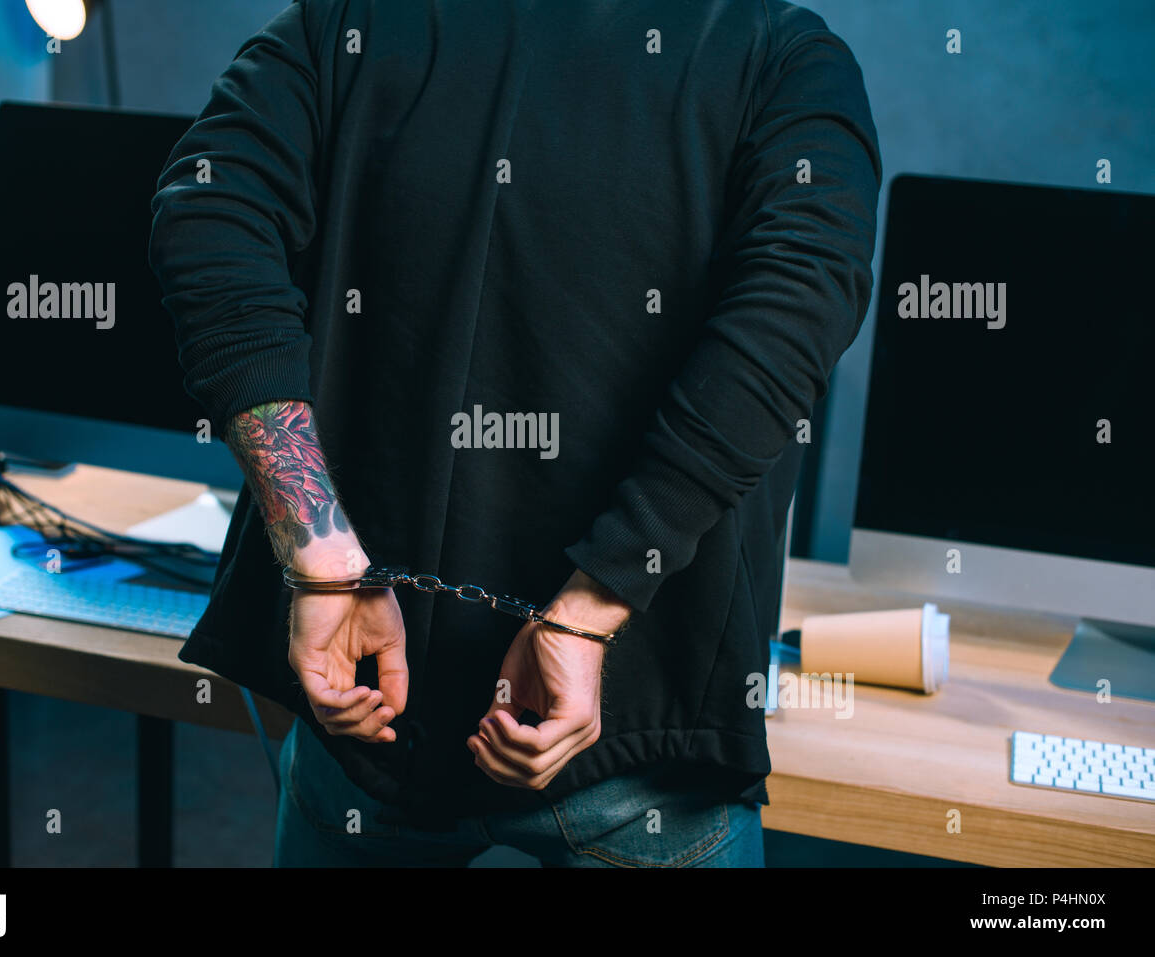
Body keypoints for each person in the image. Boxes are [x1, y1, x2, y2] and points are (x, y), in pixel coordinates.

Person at [149, 0, 881, 867]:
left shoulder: (347, 21)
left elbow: (206, 215)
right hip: (607, 726)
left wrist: (319, 551)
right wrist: (593, 605)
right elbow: (789, 321)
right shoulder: (783, 59)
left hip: (375, 697)